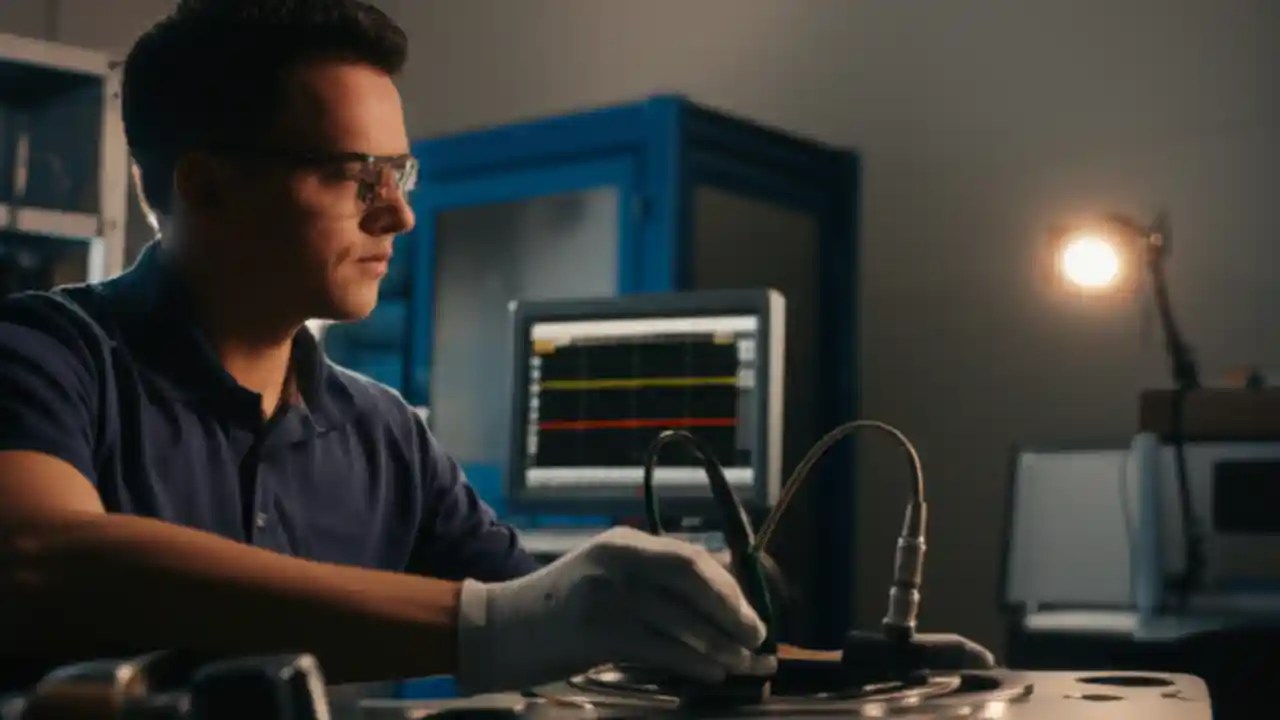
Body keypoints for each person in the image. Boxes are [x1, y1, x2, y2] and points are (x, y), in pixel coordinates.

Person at [0, 0, 772, 695]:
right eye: (358, 177)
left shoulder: (386, 435)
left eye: (399, 173)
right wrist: (502, 620)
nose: (399, 216)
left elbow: (537, 608)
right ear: (207, 187)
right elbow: (40, 556)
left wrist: (666, 608)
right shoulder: (45, 357)